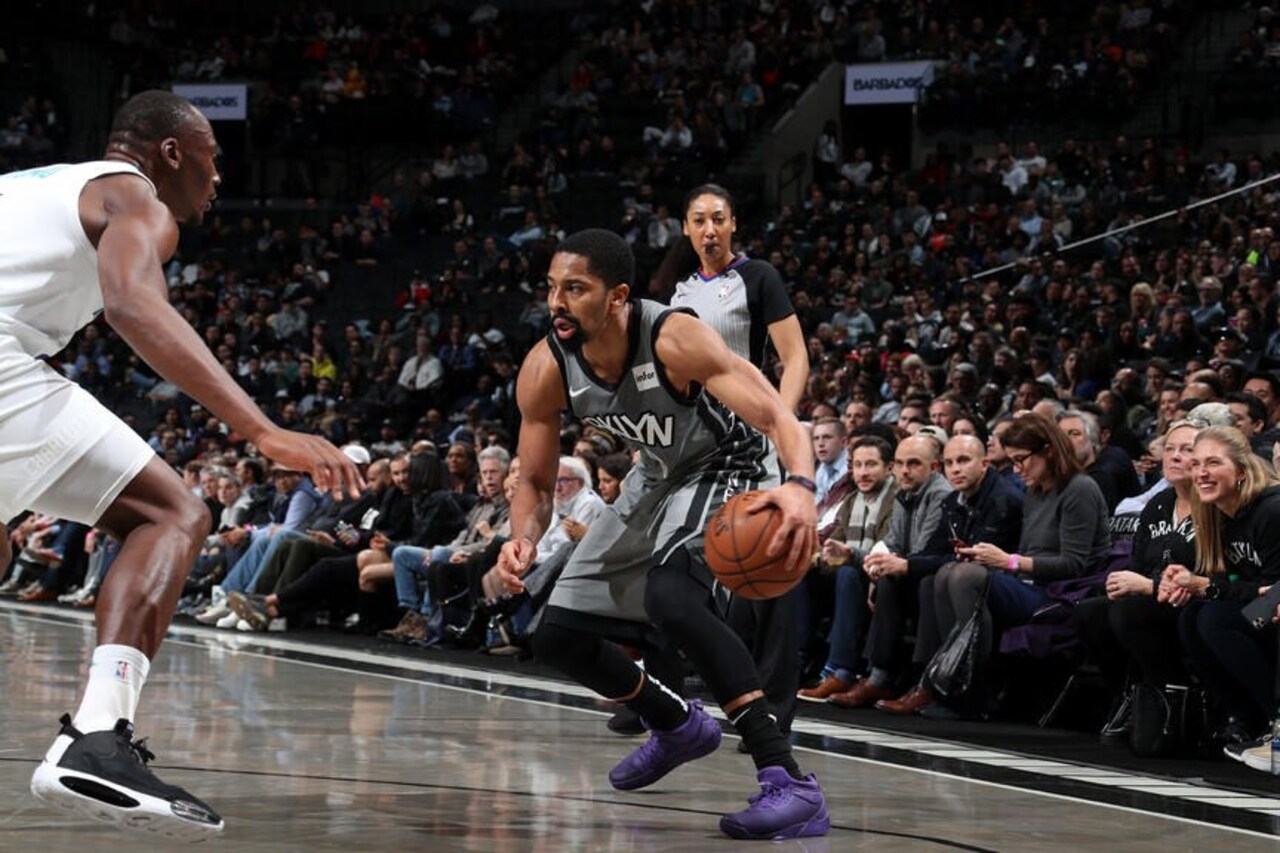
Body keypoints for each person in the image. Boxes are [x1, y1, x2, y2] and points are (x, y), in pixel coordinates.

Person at [8, 90, 362, 839]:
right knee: (171, 512)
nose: (217, 178)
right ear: (171, 152)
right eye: (212, 158)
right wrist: (262, 430)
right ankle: (98, 738)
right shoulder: (134, 195)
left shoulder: (36, 184)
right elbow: (132, 304)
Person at [492, 229, 828, 840]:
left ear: (617, 297)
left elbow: (778, 414)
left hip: (729, 462)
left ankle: (789, 782)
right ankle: (676, 723)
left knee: (671, 598)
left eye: (575, 289)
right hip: (657, 473)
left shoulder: (674, 335)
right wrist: (523, 538)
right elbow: (536, 482)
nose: (557, 303)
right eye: (551, 288)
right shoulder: (546, 366)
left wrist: (801, 488)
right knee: (557, 636)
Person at [657, 183, 810, 738]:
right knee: (673, 564)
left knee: (771, 577)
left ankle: (773, 718)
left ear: (733, 223)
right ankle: (663, 701)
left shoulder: (759, 277)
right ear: (685, 229)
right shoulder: (674, 293)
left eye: (718, 218)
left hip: (752, 441)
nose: (709, 229)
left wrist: (779, 423)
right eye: (698, 220)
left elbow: (795, 358)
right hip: (695, 448)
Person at [1159, 426, 1280, 767]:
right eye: (1197, 464)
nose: (1201, 473)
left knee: (1215, 617)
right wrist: (1184, 581)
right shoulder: (1216, 513)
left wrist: (1210, 587)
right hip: (1265, 601)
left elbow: (1273, 588)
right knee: (1191, 615)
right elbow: (1231, 580)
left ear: (1241, 470)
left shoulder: (1272, 510)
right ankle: (1245, 719)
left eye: (1213, 463)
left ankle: (1276, 722)